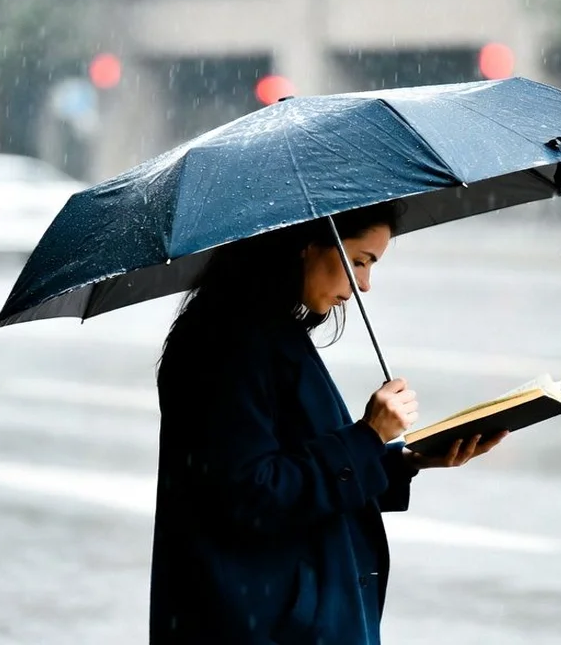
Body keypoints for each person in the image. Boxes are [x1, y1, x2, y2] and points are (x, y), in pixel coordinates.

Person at [149, 201, 507, 644]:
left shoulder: (268, 332)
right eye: (359, 261)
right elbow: (250, 494)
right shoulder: (226, 344)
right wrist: (369, 435)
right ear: (304, 245)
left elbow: (297, 460)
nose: (364, 284)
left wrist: (407, 459)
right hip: (260, 622)